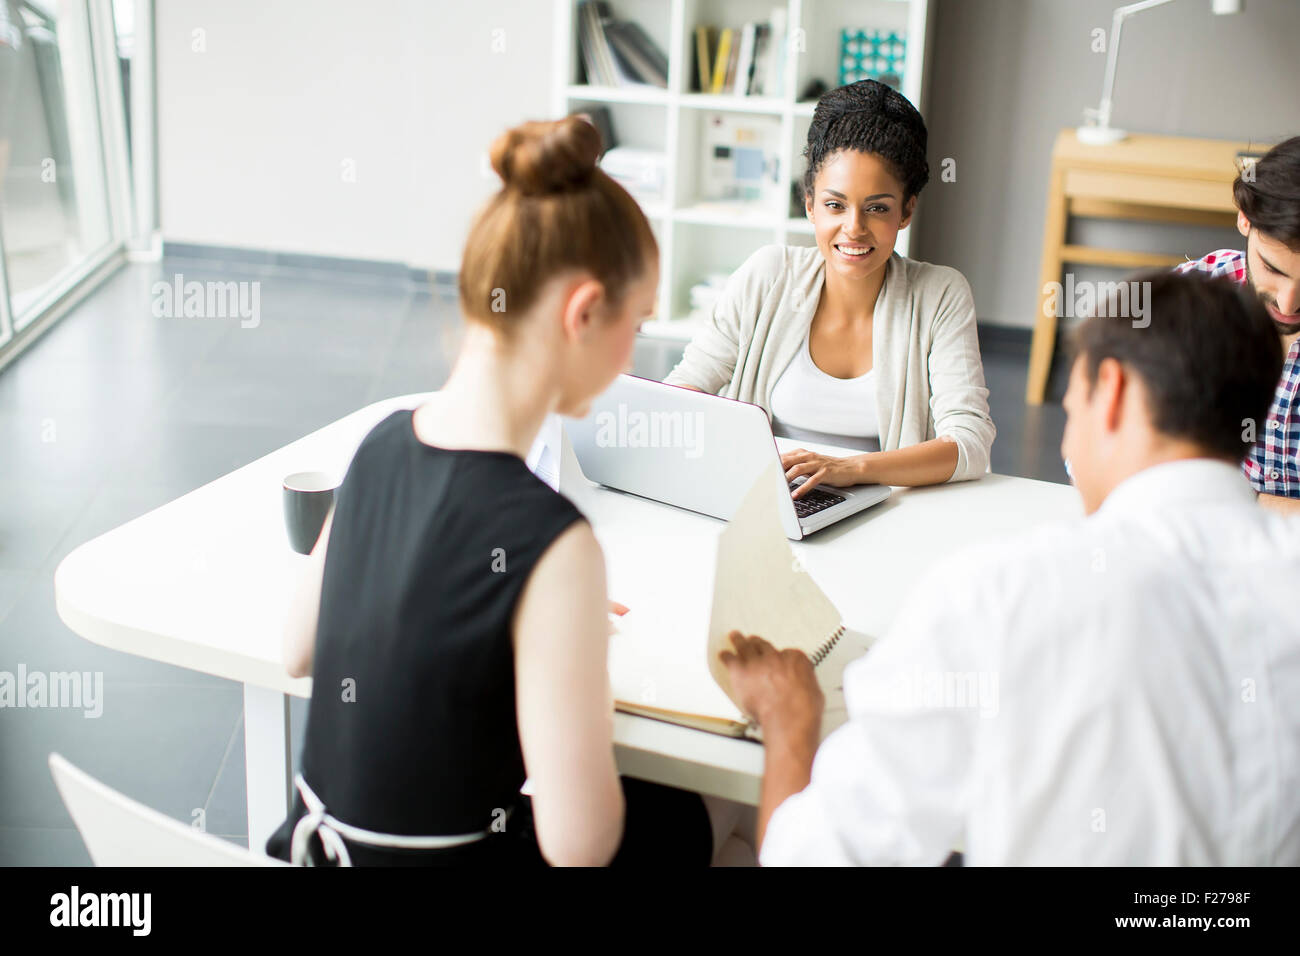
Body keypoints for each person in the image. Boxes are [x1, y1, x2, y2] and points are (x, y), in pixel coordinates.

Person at [720, 271, 1300, 865]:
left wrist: (790, 722)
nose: (1069, 448)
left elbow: (810, 859)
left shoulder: (1002, 597)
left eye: (1071, 412)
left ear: (1113, 390)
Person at [271, 116, 719, 866]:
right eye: (635, 323)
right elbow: (580, 846)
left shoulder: (379, 445)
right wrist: (566, 656)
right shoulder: (554, 540)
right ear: (581, 314)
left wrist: (503, 634)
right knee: (720, 813)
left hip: (317, 853)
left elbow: (297, 649)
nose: (634, 351)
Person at [664, 79, 994, 497]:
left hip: (886, 516)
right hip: (772, 503)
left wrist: (851, 468)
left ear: (906, 209)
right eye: (835, 205)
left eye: (877, 208)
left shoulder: (940, 295)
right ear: (809, 204)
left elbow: (969, 444)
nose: (854, 229)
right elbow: (687, 386)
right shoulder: (768, 274)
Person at [1176, 135, 1300, 514]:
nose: (1288, 304)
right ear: (1244, 219)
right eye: (1272, 269)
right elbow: (1099, 441)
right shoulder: (1189, 300)